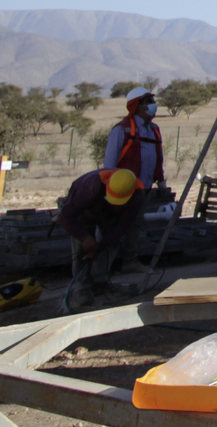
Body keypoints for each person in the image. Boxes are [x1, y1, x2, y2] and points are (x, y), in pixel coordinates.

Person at [55, 166, 141, 310]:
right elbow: (65, 216)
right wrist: (84, 237)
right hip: (86, 208)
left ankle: (100, 282)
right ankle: (81, 288)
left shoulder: (137, 195)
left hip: (111, 214)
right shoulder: (89, 188)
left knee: (111, 243)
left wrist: (100, 247)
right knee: (81, 247)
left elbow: (121, 228)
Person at [100, 87, 165, 274]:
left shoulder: (154, 130)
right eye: (148, 101)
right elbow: (109, 164)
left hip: (144, 188)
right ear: (136, 105)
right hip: (122, 189)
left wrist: (161, 181)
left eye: (152, 101)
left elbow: (158, 156)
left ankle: (130, 261)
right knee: (114, 225)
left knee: (135, 224)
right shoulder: (122, 129)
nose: (153, 105)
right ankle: (104, 265)